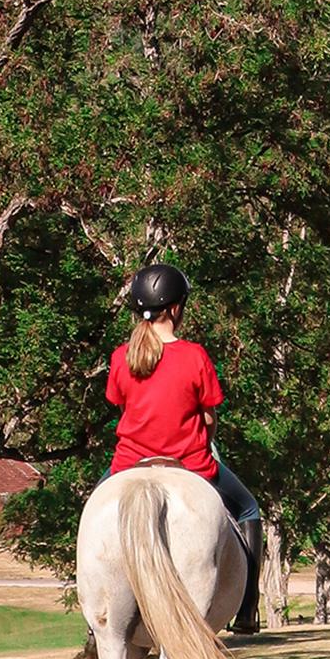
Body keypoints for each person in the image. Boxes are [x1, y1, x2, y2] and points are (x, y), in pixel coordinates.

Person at [105, 263, 263, 634]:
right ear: (176, 308)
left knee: (93, 513)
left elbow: (120, 403)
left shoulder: (121, 357)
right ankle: (248, 611)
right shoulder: (194, 356)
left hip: (128, 464)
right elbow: (208, 417)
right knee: (249, 508)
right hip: (190, 465)